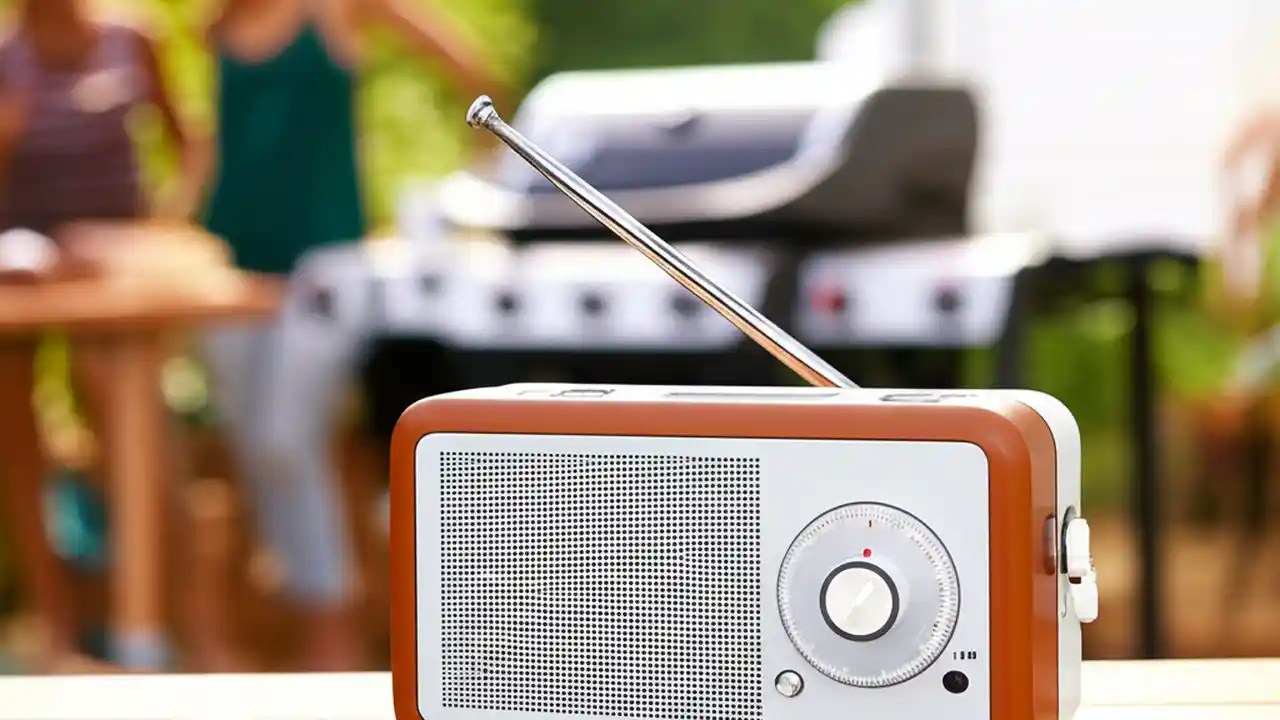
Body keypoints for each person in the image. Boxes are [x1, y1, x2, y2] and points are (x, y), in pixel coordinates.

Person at [197, 0, 503, 671]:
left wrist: (474, 189)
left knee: (285, 438)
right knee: (249, 445)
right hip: (235, 272)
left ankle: (327, 625)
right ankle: (299, 608)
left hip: (326, 268)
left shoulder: (336, 10)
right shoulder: (219, 24)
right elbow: (217, 147)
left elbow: (469, 70)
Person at [0, 0, 198, 671]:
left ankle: (158, 627)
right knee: (14, 430)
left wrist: (164, 234)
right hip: (23, 274)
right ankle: (55, 626)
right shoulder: (6, 55)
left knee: (130, 422)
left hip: (119, 276)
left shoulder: (132, 38)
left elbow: (189, 146)